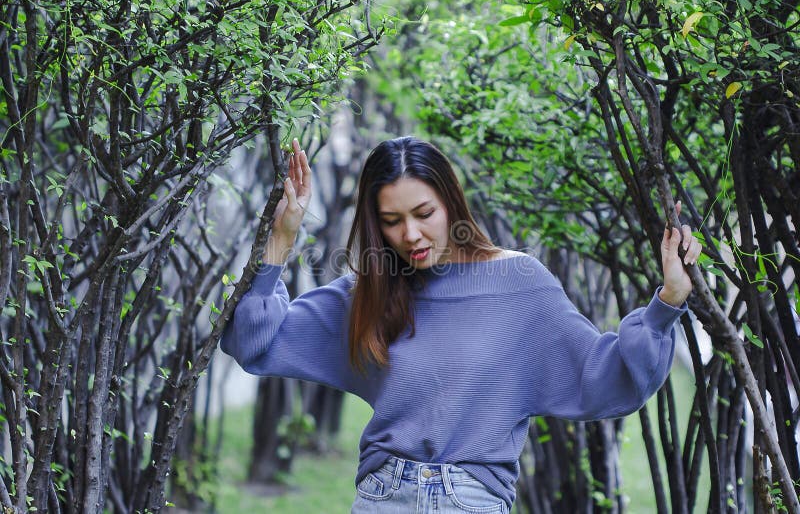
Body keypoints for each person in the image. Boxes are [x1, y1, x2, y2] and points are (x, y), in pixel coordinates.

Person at [220, 136, 702, 514]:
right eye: (391, 220)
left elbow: (607, 376)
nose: (410, 234)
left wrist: (668, 301)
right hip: (383, 497)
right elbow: (255, 342)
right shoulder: (370, 292)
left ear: (450, 202)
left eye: (424, 213)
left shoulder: (520, 283)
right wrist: (281, 240)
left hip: (472, 499)